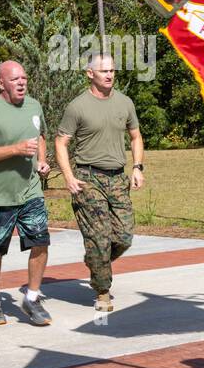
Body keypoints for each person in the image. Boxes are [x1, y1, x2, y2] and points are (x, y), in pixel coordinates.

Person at [55, 53, 143, 312]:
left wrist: (137, 167)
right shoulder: (77, 107)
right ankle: (102, 291)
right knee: (99, 238)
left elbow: (136, 137)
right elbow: (61, 142)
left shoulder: (125, 103)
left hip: (117, 177)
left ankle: (95, 261)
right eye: (104, 71)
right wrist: (69, 177)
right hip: (88, 178)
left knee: (124, 236)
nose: (109, 75)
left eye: (113, 71)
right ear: (89, 74)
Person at [0, 61, 52, 327]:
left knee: (40, 242)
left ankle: (32, 297)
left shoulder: (34, 105)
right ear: (1, 83)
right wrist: (15, 150)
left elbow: (39, 137)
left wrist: (41, 161)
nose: (21, 83)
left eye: (24, 78)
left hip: (30, 191)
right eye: (15, 79)